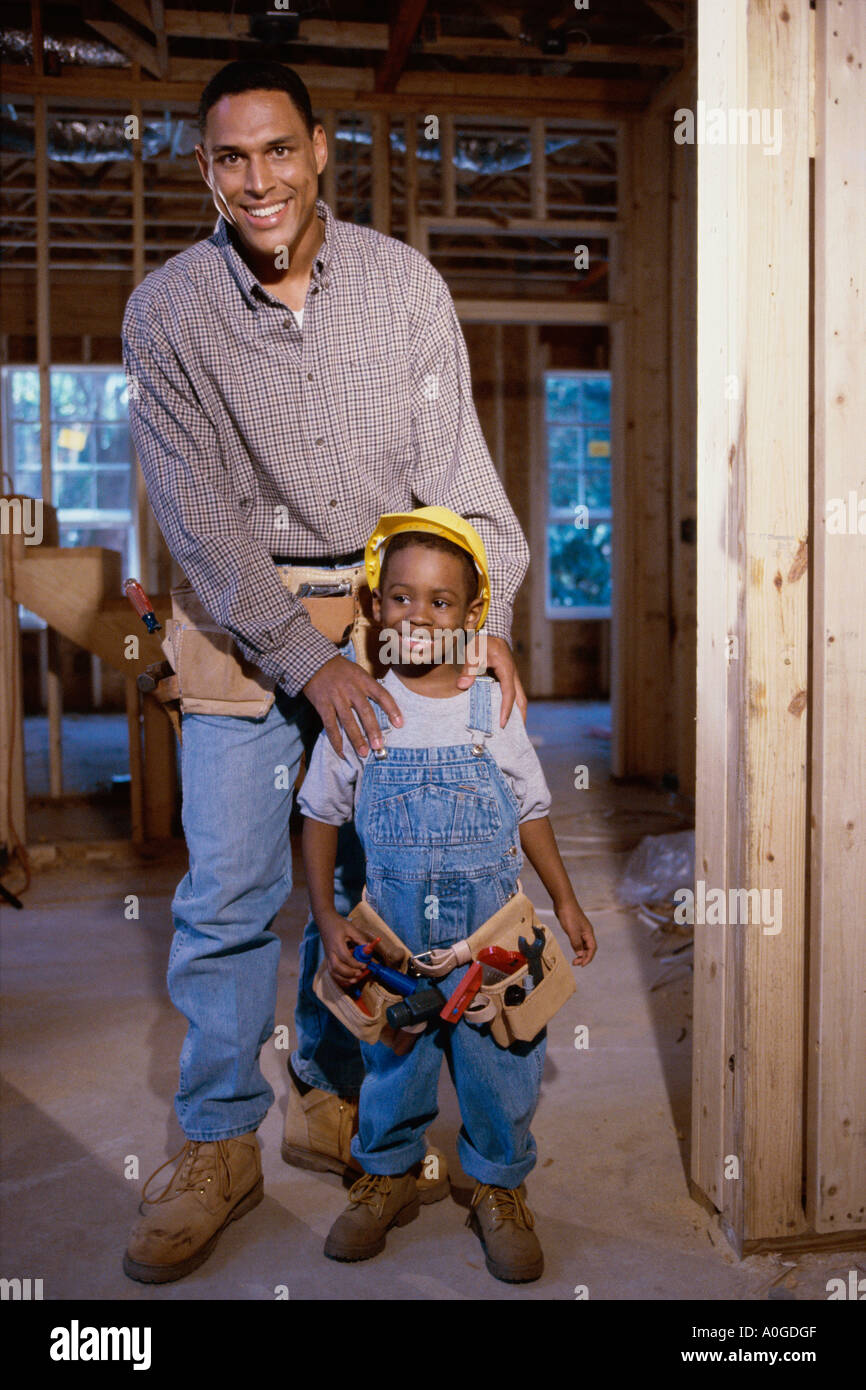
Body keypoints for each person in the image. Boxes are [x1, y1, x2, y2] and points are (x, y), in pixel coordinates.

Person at [120, 59, 530, 1284]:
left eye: (278, 152)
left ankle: (330, 1092)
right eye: (231, 158)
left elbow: (457, 470)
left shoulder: (403, 288)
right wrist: (306, 660)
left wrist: (474, 615)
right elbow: (198, 522)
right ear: (206, 170)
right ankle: (213, 1143)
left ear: (318, 151)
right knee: (232, 895)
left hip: (389, 608)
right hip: (241, 624)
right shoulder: (169, 309)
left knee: (371, 887)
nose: (259, 180)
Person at [298, 508, 598, 1283]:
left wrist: (565, 902)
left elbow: (530, 811)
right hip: (392, 943)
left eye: (439, 602)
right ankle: (387, 1174)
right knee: (392, 1062)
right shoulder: (359, 713)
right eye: (399, 598)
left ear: (472, 616)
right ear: (373, 608)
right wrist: (327, 916)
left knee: (503, 1065)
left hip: (489, 941)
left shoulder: (490, 709)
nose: (418, 616)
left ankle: (498, 1186)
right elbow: (319, 815)